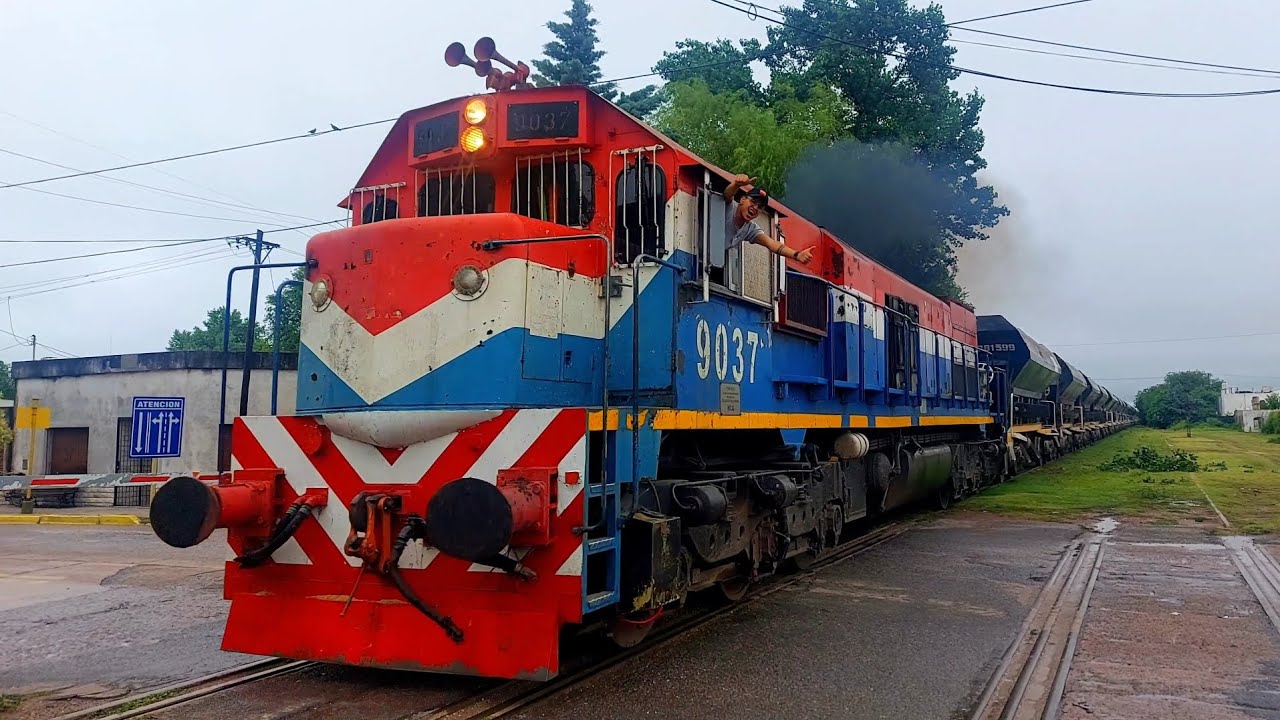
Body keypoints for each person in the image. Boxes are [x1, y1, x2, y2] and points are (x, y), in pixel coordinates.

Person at [723, 174, 814, 264]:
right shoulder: (728, 207)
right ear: (742, 199)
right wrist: (736, 184)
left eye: (760, 207)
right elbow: (727, 194)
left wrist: (797, 255)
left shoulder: (750, 229)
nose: (755, 207)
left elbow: (772, 243)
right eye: (753, 202)